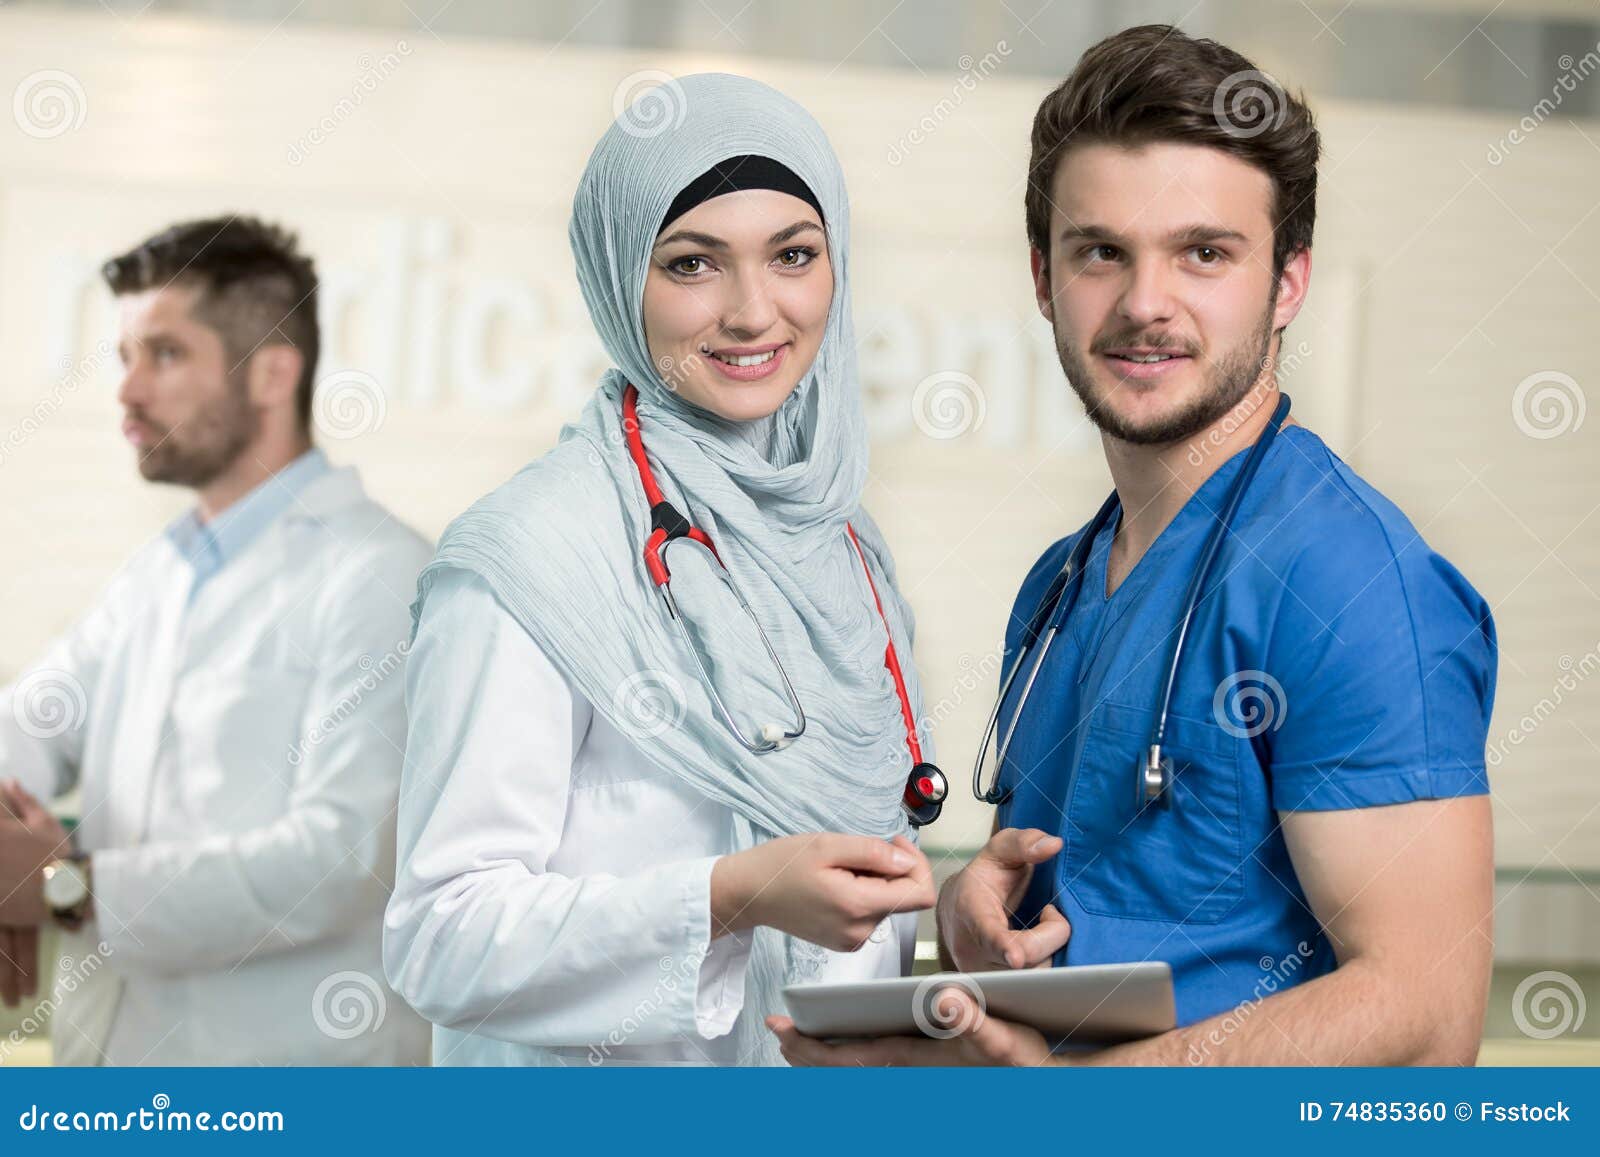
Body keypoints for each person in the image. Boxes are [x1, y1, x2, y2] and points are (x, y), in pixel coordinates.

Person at [770, 24, 1497, 1067]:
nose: (1144, 303)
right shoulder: (1061, 582)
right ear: (1042, 276)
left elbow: (1424, 1008)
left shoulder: (1347, 577)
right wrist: (973, 937)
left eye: (1204, 253)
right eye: (1100, 251)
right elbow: (1117, 924)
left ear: (1287, 282)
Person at [383, 73, 938, 1067]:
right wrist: (727, 899)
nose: (752, 309)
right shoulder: (528, 555)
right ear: (615, 276)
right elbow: (439, 936)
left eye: (794, 256)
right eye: (692, 264)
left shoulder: (843, 547)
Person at [0, 217, 431, 1065]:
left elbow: (338, 859)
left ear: (272, 371)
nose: (126, 391)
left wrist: (61, 888)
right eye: (123, 357)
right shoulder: (157, 574)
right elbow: (30, 726)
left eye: (163, 355)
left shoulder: (383, 577)